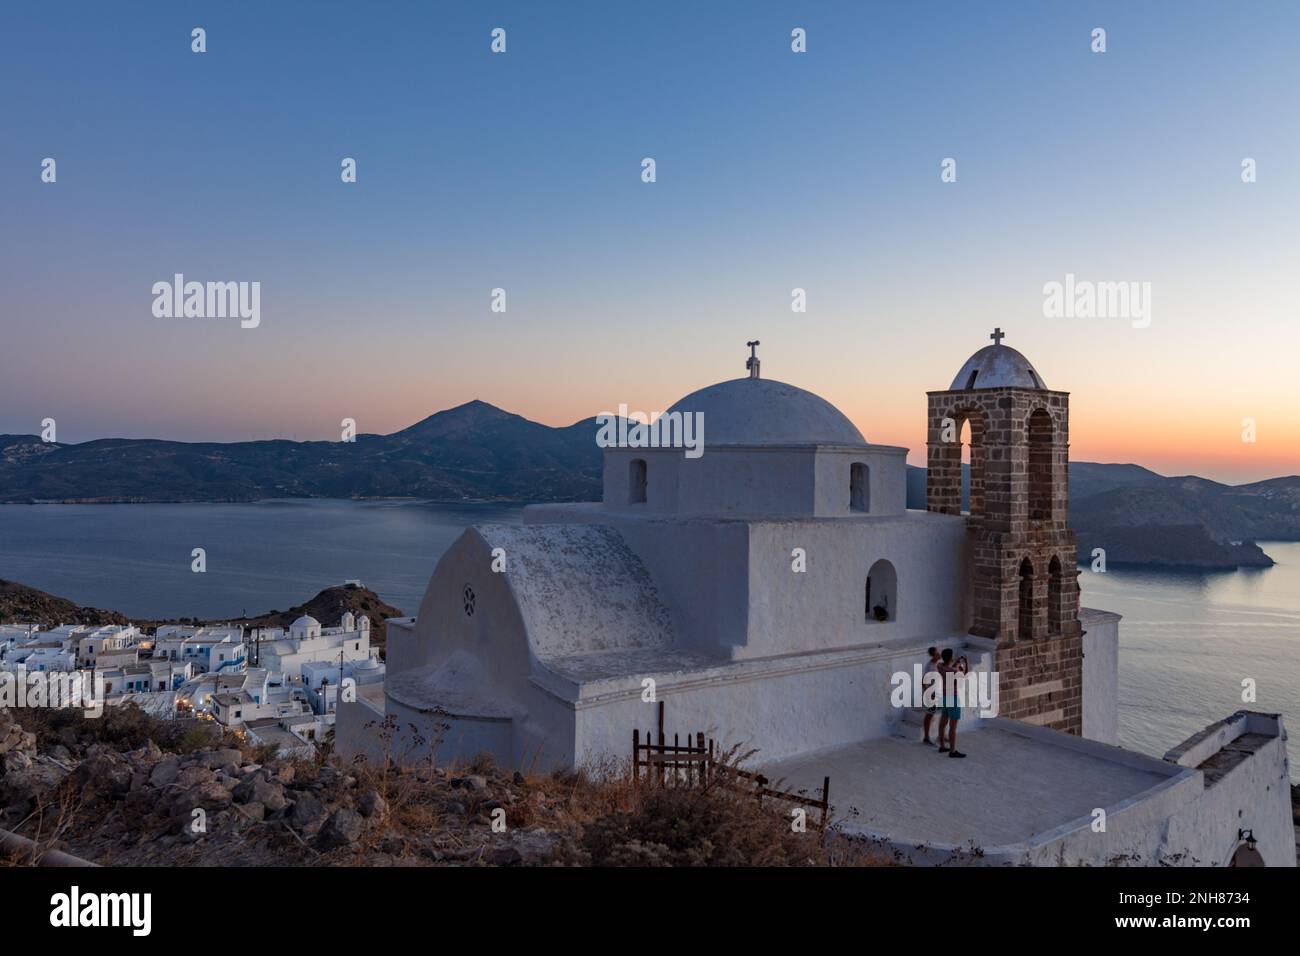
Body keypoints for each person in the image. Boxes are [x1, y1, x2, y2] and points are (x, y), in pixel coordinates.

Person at [936, 648, 968, 759]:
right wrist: (965, 663)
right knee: (953, 727)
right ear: (950, 657)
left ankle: (942, 746)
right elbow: (964, 674)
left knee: (942, 723)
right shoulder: (954, 671)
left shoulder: (940, 666)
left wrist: (955, 663)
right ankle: (952, 751)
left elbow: (948, 667)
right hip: (953, 698)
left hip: (944, 697)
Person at [920, 646, 941, 745]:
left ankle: (941, 735)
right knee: (929, 714)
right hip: (931, 694)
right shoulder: (930, 667)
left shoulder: (937, 664)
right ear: (933, 655)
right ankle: (926, 737)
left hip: (938, 693)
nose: (939, 654)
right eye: (937, 653)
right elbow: (924, 681)